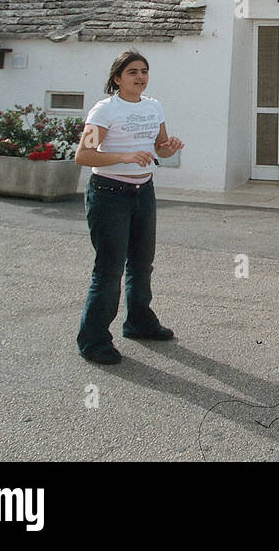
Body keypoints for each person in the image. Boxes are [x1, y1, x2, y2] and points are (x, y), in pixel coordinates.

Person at [74, 51, 184, 365]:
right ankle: (93, 340)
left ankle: (139, 322)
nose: (140, 76)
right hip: (109, 193)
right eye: (132, 71)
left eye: (144, 71)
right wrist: (122, 157)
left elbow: (159, 146)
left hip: (142, 191)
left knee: (141, 263)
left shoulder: (153, 106)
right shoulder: (104, 110)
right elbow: (83, 155)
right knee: (109, 270)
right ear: (117, 78)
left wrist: (169, 147)